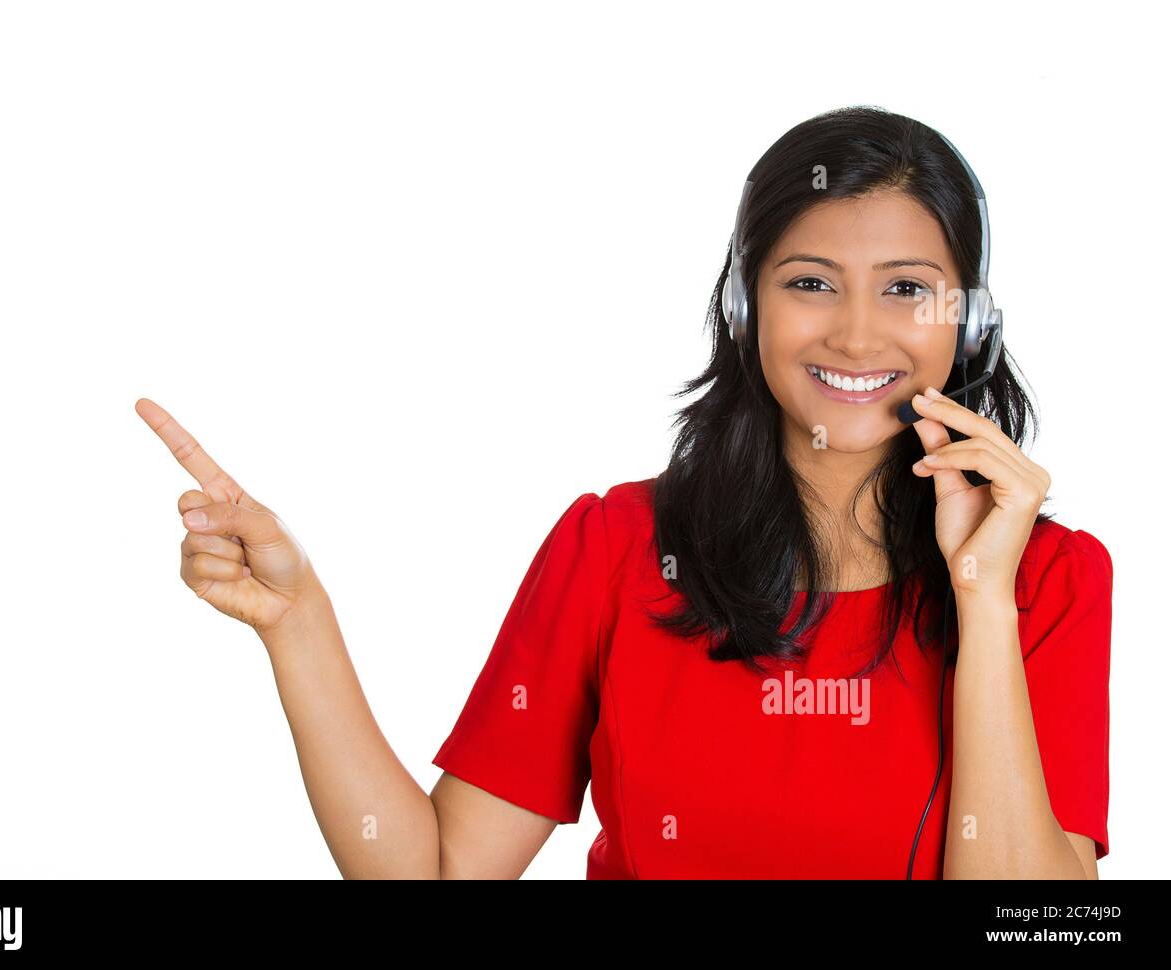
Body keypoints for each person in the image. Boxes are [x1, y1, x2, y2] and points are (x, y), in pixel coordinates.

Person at [135, 105, 1111, 879]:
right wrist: (297, 621)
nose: (856, 337)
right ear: (743, 304)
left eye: (905, 288)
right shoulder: (617, 546)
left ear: (965, 318)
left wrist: (981, 599)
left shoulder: (1048, 578)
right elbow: (434, 874)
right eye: (810, 283)